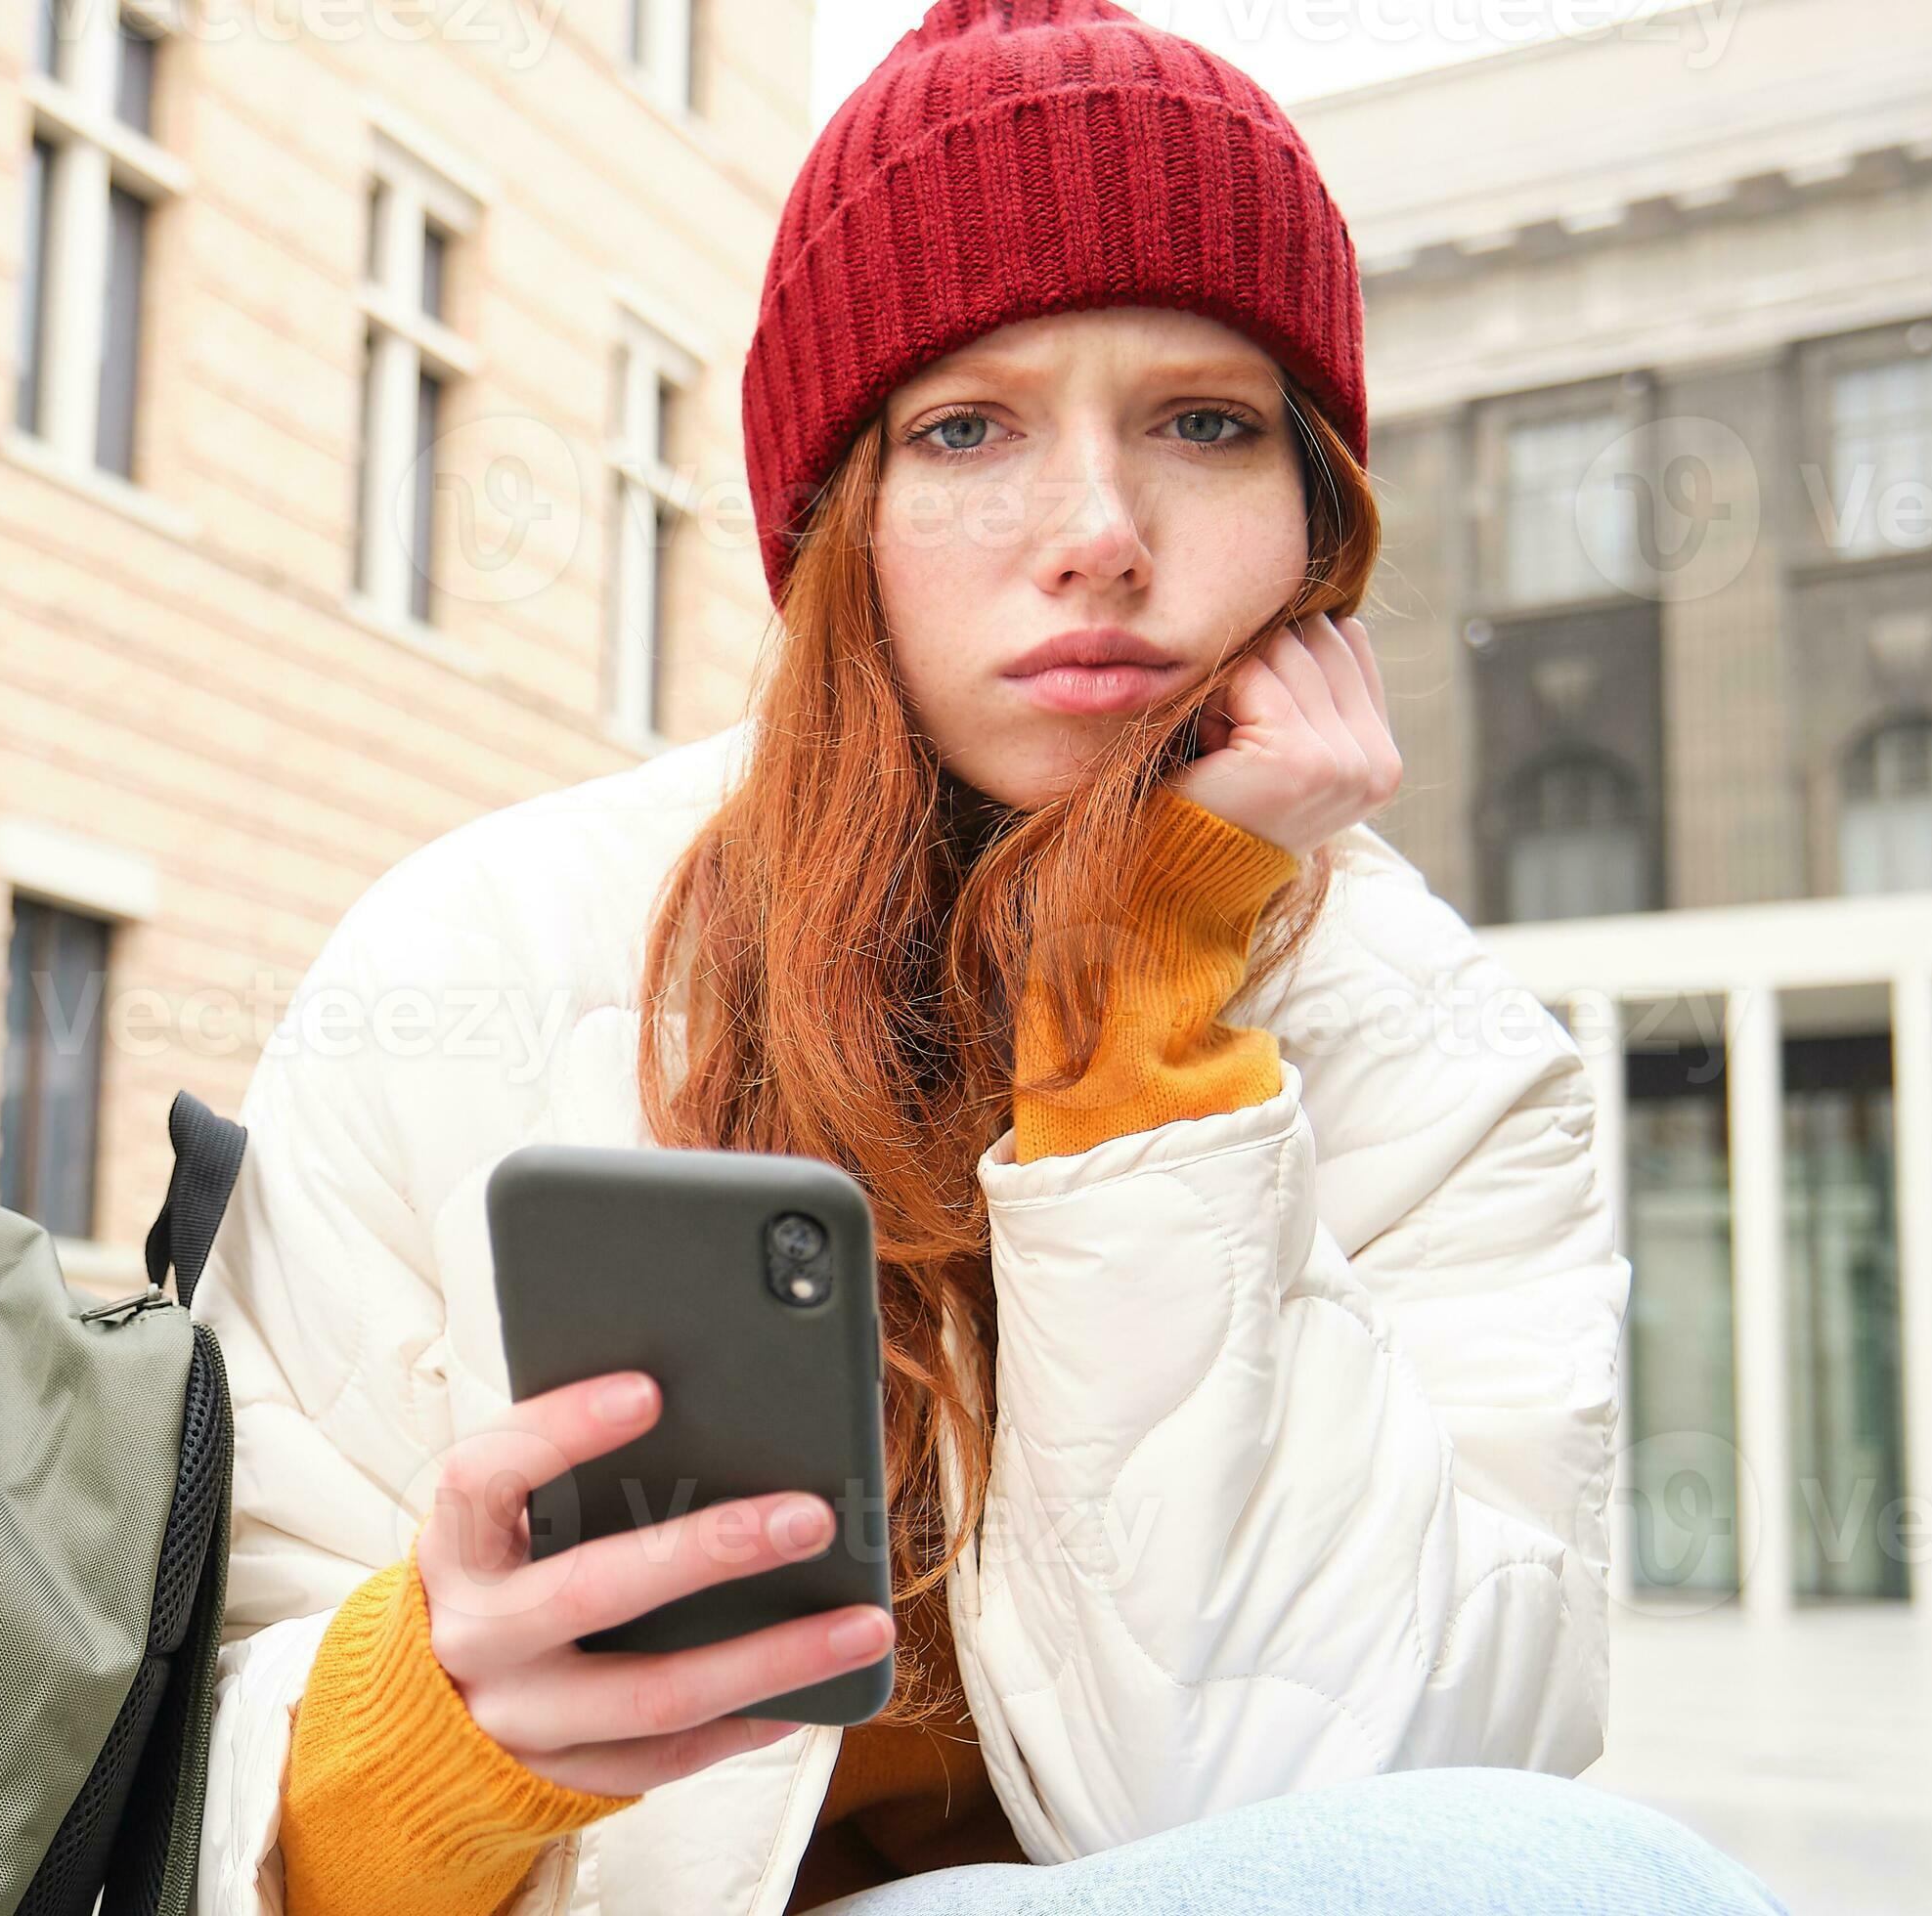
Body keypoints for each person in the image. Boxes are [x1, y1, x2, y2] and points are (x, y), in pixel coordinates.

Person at [182, 0, 1786, 1911]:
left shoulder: (1437, 1052)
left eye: (1202, 422)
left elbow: (1290, 1799)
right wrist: (454, 1722)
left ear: (1316, 527)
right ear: (834, 522)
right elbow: (202, 1792)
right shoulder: (477, 952)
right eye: (964, 427)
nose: (1097, 533)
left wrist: (1142, 1012)